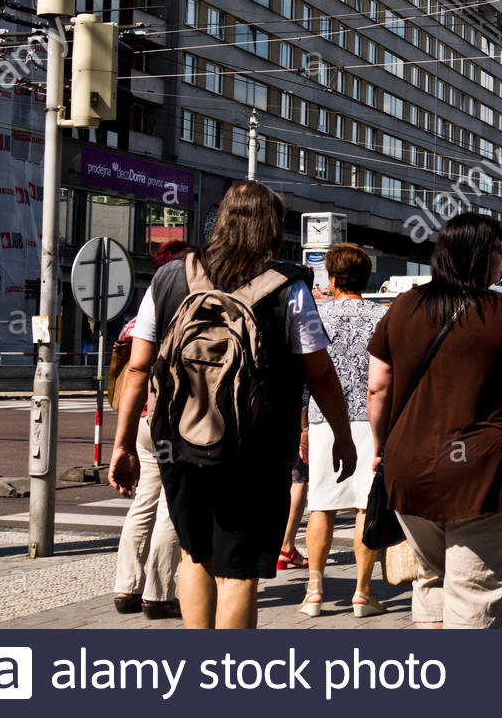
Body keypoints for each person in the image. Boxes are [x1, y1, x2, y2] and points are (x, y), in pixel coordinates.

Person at [109, 180, 358, 629]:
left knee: (194, 555)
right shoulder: (288, 286)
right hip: (256, 451)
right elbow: (319, 373)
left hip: (178, 442)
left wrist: (123, 442)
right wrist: (342, 435)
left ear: (221, 219)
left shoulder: (169, 277)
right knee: (239, 571)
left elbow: (137, 367)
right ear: (273, 227)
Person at [367, 213, 502, 629]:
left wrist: (380, 448)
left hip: (410, 467)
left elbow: (378, 386)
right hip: (483, 475)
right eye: (498, 250)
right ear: (480, 256)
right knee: (474, 590)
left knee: (430, 581)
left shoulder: (404, 306)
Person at [300, 244, 388, 618]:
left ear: (331, 278)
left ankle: (314, 591)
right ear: (367, 279)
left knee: (321, 505)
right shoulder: (383, 316)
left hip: (325, 420)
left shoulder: (314, 314)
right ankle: (362, 591)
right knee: (367, 506)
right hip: (371, 420)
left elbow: (305, 375)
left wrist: (302, 425)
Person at [111, 241, 197, 619]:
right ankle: (158, 594)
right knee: (171, 506)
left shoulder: (137, 319)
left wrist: (122, 440)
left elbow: (133, 370)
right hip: (173, 423)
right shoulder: (189, 312)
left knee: (143, 502)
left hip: (144, 424)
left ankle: (125, 587)